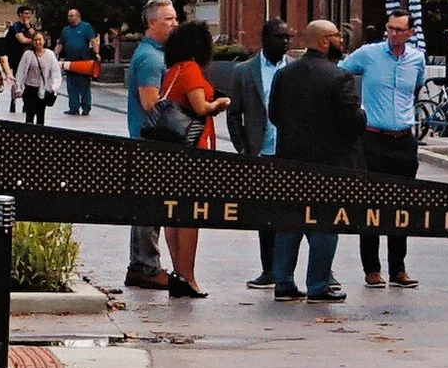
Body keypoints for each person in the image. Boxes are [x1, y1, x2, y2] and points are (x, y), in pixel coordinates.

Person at [266, 19, 363, 303]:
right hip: (329, 166)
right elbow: (353, 120)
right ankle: (318, 285)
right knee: (324, 223)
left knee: (289, 222)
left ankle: (283, 283)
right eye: (336, 37)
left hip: (290, 162)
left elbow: (274, 115)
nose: (341, 42)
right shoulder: (339, 77)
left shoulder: (285, 75)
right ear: (323, 42)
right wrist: (362, 114)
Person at [342, 10, 427, 288]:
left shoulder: (416, 59)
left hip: (403, 139)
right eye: (390, 29)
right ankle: (372, 268)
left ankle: (398, 269)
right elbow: (340, 73)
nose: (393, 34)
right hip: (372, 138)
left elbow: (415, 89)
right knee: (371, 204)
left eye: (399, 30)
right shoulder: (369, 54)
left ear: (410, 33)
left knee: (401, 206)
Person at [153, 20, 229, 298]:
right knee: (190, 214)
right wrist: (220, 104)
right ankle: (188, 276)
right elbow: (200, 106)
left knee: (172, 214)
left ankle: (177, 273)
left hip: (171, 150)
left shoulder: (173, 69)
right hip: (192, 150)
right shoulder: (192, 69)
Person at [216, 18, 288, 289]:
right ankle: (268, 269)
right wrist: (243, 148)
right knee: (265, 215)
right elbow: (234, 115)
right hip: (261, 152)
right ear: (265, 39)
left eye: (287, 38)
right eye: (280, 37)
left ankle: (295, 271)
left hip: (289, 153)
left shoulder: (293, 70)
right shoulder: (245, 71)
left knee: (295, 214)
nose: (285, 43)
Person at [123, 0, 178, 291]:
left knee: (146, 206)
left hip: (146, 142)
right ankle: (147, 265)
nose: (174, 24)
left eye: (174, 18)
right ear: (152, 22)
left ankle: (140, 264)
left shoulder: (153, 54)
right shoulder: (151, 58)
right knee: (151, 207)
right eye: (168, 19)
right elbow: (150, 102)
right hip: (149, 144)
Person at [16, 28, 63, 129]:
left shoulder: (50, 55)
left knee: (40, 115)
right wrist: (18, 87)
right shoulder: (28, 54)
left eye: (40, 39)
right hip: (29, 89)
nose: (38, 42)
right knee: (30, 113)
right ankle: (28, 135)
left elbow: (55, 72)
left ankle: (39, 137)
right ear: (32, 42)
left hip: (42, 89)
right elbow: (21, 71)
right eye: (35, 40)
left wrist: (54, 87)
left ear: (44, 41)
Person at [58, 7, 100, 116]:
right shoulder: (65, 30)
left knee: (84, 86)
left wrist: (96, 53)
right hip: (70, 62)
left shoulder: (86, 27)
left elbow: (93, 40)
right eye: (68, 16)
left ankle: (86, 107)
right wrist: (54, 55)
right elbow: (60, 44)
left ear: (78, 16)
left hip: (83, 62)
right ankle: (73, 107)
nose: (70, 18)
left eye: (72, 15)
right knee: (71, 86)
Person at [1, 6, 42, 113]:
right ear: (20, 14)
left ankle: (26, 103)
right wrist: (34, 41)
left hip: (28, 57)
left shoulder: (29, 26)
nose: (27, 16)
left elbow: (35, 35)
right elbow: (22, 40)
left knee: (28, 81)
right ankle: (13, 101)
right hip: (16, 57)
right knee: (17, 79)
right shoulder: (15, 27)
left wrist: (28, 26)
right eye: (25, 13)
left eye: (29, 13)